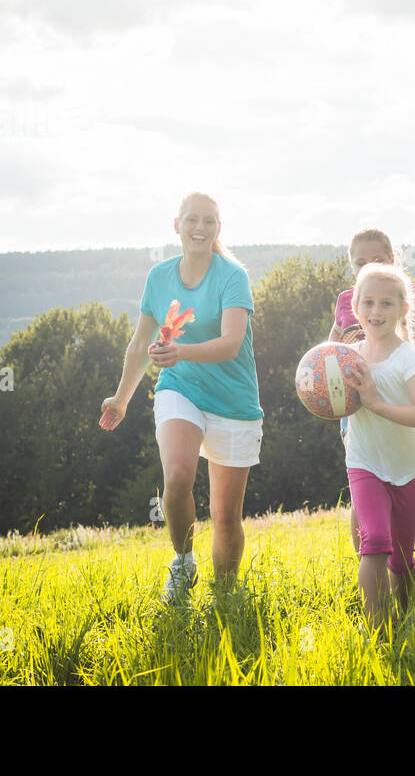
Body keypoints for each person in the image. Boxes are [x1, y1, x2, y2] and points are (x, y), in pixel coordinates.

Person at [99, 192, 263, 601]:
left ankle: (225, 599)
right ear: (177, 225)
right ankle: (183, 560)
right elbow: (140, 344)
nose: (200, 228)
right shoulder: (159, 277)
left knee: (226, 518)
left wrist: (179, 351)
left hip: (234, 402)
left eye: (209, 221)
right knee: (176, 477)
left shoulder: (232, 277)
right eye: (192, 219)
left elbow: (230, 343)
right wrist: (121, 399)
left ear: (218, 229)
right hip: (180, 388)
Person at [327, 228, 415, 551]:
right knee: (365, 485)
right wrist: (348, 353)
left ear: (393, 260)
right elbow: (326, 357)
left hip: (407, 405)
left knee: (401, 486)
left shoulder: (414, 295)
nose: (368, 267)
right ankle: (368, 562)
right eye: (360, 262)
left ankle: (399, 560)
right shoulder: (346, 301)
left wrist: (390, 356)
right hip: (357, 409)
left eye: (377, 260)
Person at [339, 262, 415, 631]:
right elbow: (331, 399)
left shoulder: (410, 359)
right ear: (356, 306)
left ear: (403, 310)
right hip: (364, 463)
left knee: (402, 559)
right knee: (375, 540)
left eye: (386, 304)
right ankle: (380, 635)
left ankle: (408, 617)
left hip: (409, 468)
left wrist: (376, 403)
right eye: (368, 303)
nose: (375, 312)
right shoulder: (347, 356)